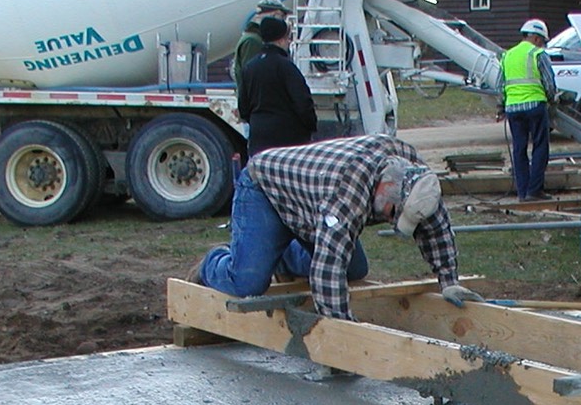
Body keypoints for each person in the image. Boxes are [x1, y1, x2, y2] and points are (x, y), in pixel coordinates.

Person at [192, 134, 480, 321]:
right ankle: (213, 263)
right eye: (393, 214)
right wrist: (341, 326)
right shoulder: (348, 193)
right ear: (386, 187)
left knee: (355, 271)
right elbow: (328, 267)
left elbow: (436, 227)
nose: (393, 222)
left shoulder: (418, 179)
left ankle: (274, 253)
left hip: (309, 206)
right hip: (265, 189)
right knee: (248, 283)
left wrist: (449, 280)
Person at [238, 16, 316, 157]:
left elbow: (243, 106)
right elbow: (303, 102)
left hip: (259, 136)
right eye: (287, 38)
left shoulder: (249, 67)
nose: (288, 42)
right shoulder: (286, 67)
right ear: (280, 40)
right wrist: (311, 126)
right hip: (288, 138)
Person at [502, 18, 557, 201]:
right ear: (536, 38)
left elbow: (501, 84)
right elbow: (549, 83)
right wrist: (552, 99)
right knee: (540, 146)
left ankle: (522, 192)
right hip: (535, 105)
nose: (542, 45)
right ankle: (534, 190)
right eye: (542, 41)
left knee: (519, 149)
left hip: (513, 108)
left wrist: (503, 105)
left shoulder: (507, 55)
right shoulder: (537, 54)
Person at [231, 0, 288, 88]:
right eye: (282, 16)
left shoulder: (254, 38)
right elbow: (251, 77)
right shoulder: (253, 41)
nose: (283, 20)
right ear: (274, 15)